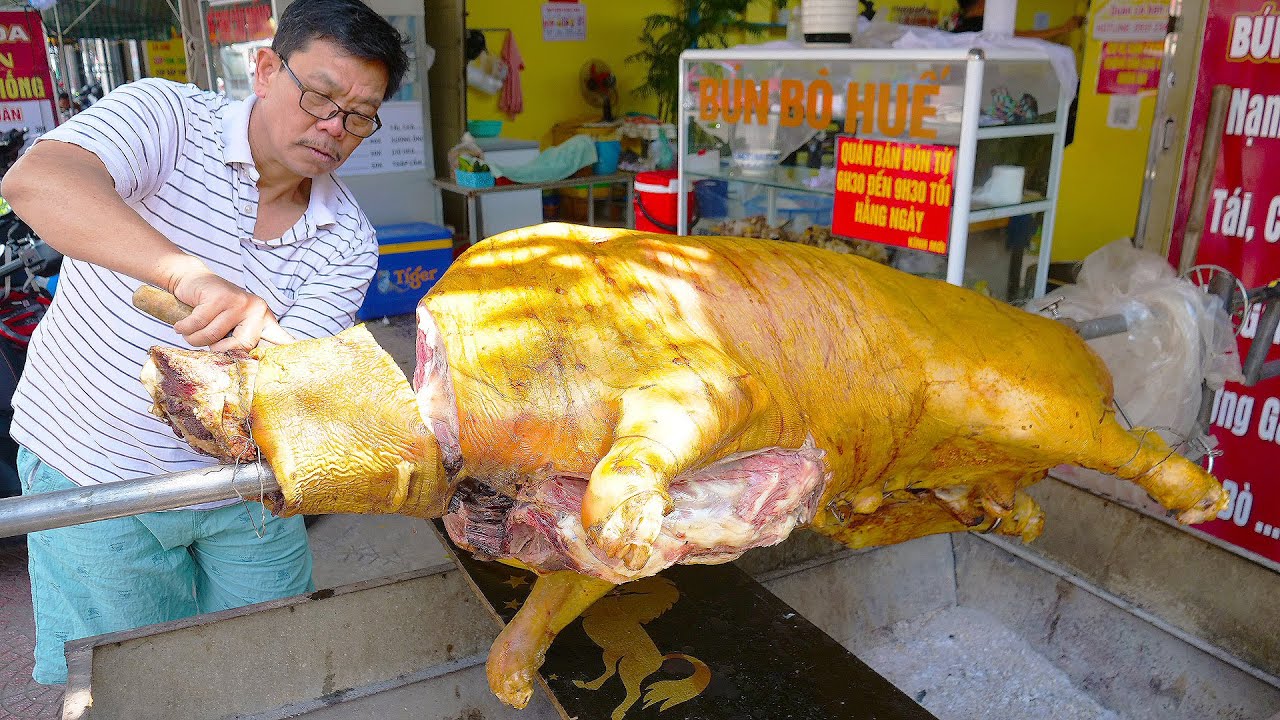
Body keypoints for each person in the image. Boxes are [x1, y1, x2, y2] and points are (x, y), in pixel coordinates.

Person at [1, 0, 408, 685]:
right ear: (267, 68)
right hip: (92, 470)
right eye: (321, 96)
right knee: (127, 685)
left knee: (275, 672)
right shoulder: (166, 117)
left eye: (359, 116)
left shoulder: (347, 240)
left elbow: (283, 389)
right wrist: (188, 274)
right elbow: (36, 182)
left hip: (241, 492)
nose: (335, 127)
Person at [952, 0, 1085, 38]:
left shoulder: (958, 27)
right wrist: (1064, 28)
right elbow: (1023, 36)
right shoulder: (984, 26)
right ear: (982, 3)